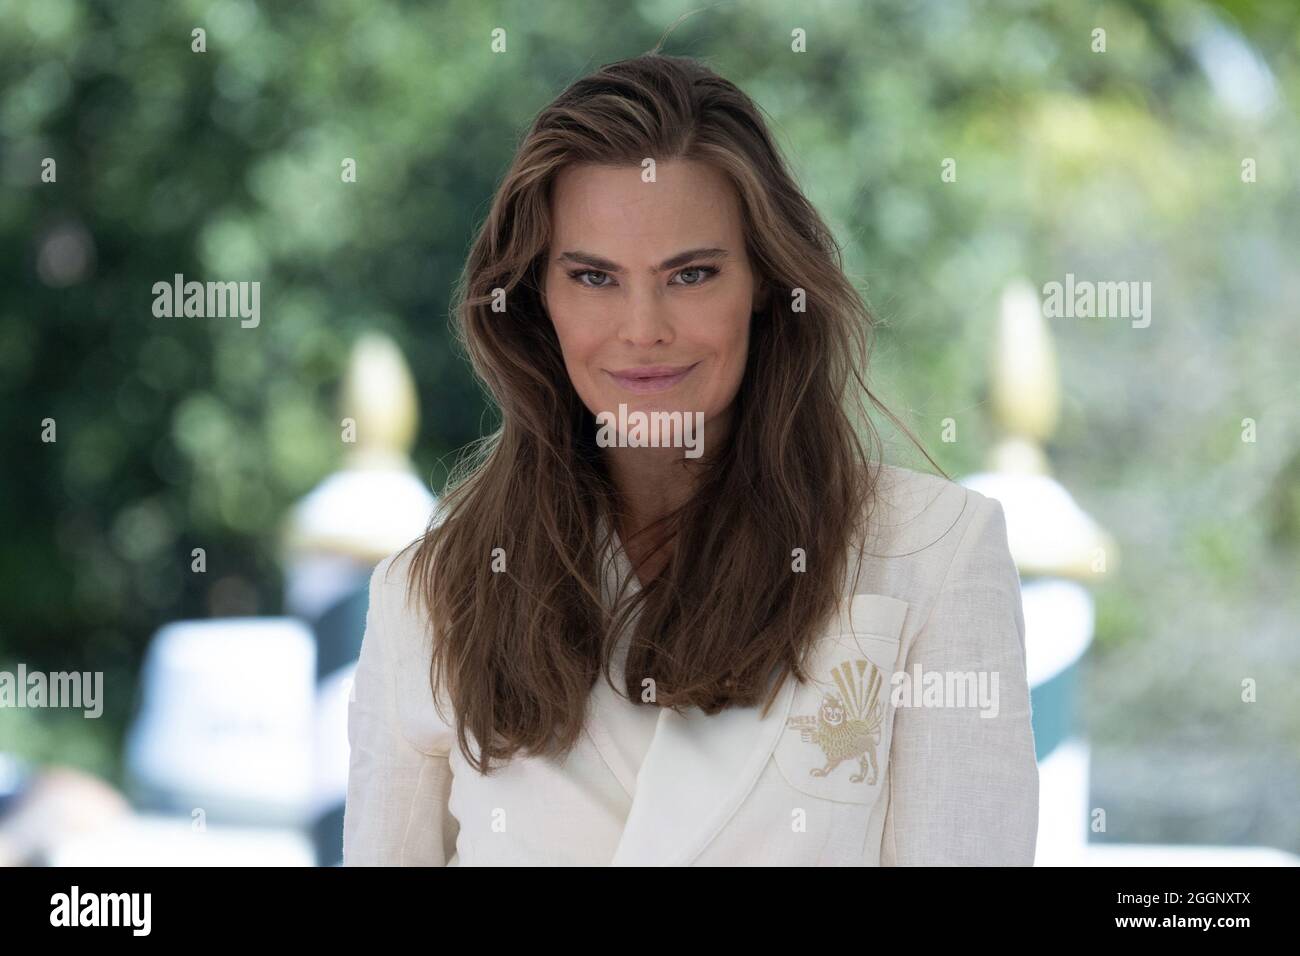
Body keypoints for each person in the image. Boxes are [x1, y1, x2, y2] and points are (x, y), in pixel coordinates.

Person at [343, 52, 1038, 866]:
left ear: (768, 284)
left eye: (692, 274)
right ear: (537, 299)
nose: (644, 329)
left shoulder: (934, 554)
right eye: (595, 276)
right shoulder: (430, 596)